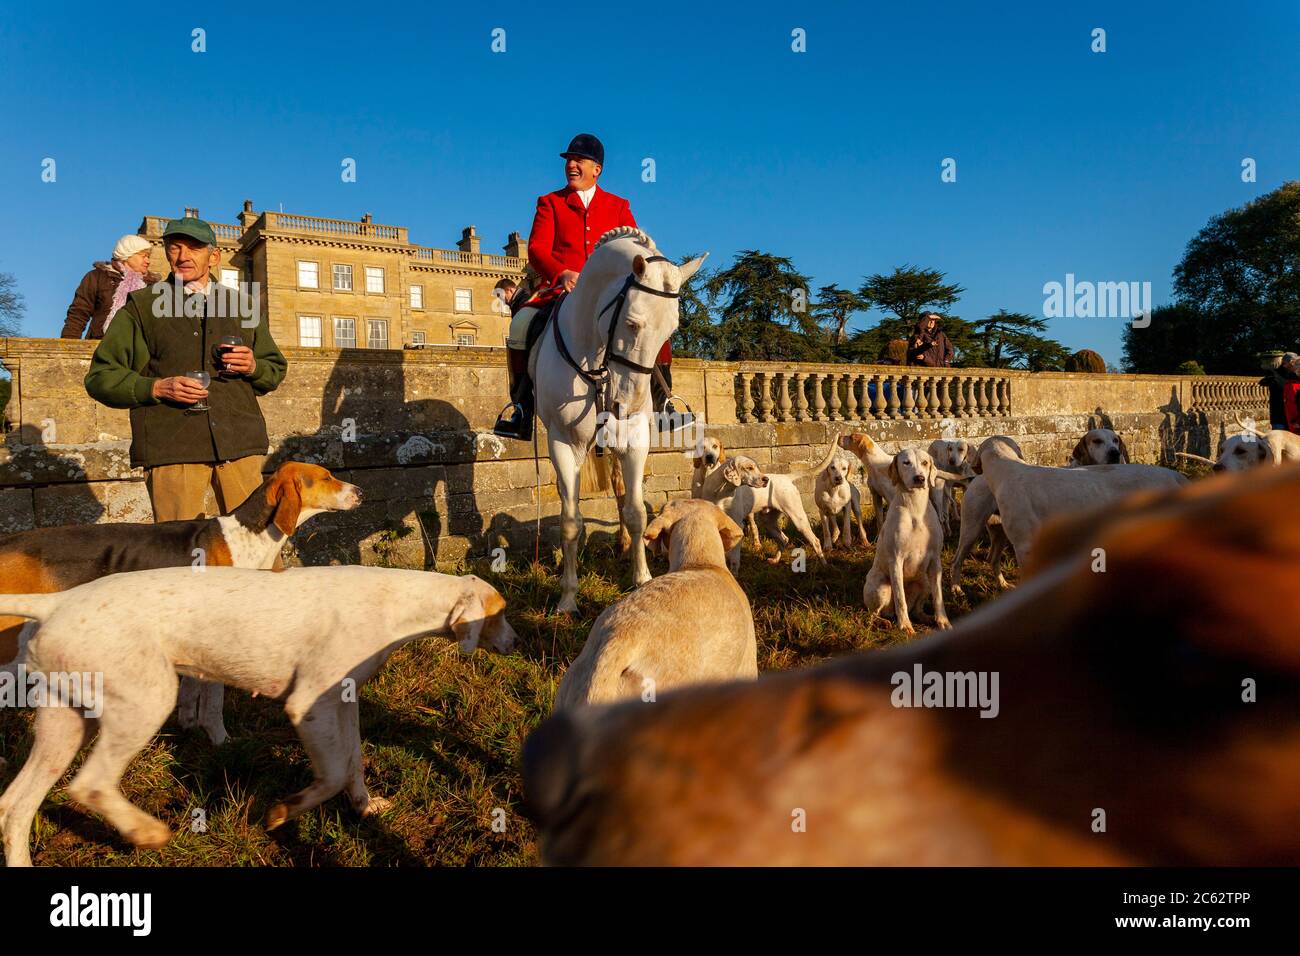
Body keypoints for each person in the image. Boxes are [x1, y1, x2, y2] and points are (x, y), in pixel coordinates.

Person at [85, 216, 287, 524]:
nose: (183, 256)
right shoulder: (142, 306)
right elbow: (100, 377)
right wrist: (156, 387)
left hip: (240, 447)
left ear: (214, 256)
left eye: (194, 247)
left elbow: (274, 369)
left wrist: (254, 366)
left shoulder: (241, 306)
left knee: (258, 551)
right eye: (175, 247)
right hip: (172, 448)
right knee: (177, 558)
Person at [493, 133, 674, 440]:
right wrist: (560, 273)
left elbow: (635, 247)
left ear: (596, 169)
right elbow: (537, 249)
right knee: (520, 326)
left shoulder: (618, 205)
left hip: (609, 297)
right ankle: (521, 410)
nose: (572, 166)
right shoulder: (550, 202)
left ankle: (665, 403)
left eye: (579, 160)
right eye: (569, 161)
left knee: (655, 325)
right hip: (561, 292)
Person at [61, 234, 161, 339]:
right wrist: (69, 344)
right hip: (101, 344)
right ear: (127, 255)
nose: (148, 261)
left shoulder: (153, 286)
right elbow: (79, 313)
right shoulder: (98, 277)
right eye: (143, 256)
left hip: (141, 349)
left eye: (148, 257)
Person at [1260, 352, 1300, 432]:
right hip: (1280, 416)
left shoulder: (1293, 376)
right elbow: (1263, 382)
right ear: (1291, 362)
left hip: (1292, 419)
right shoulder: (1275, 374)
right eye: (1296, 363)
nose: (1296, 365)